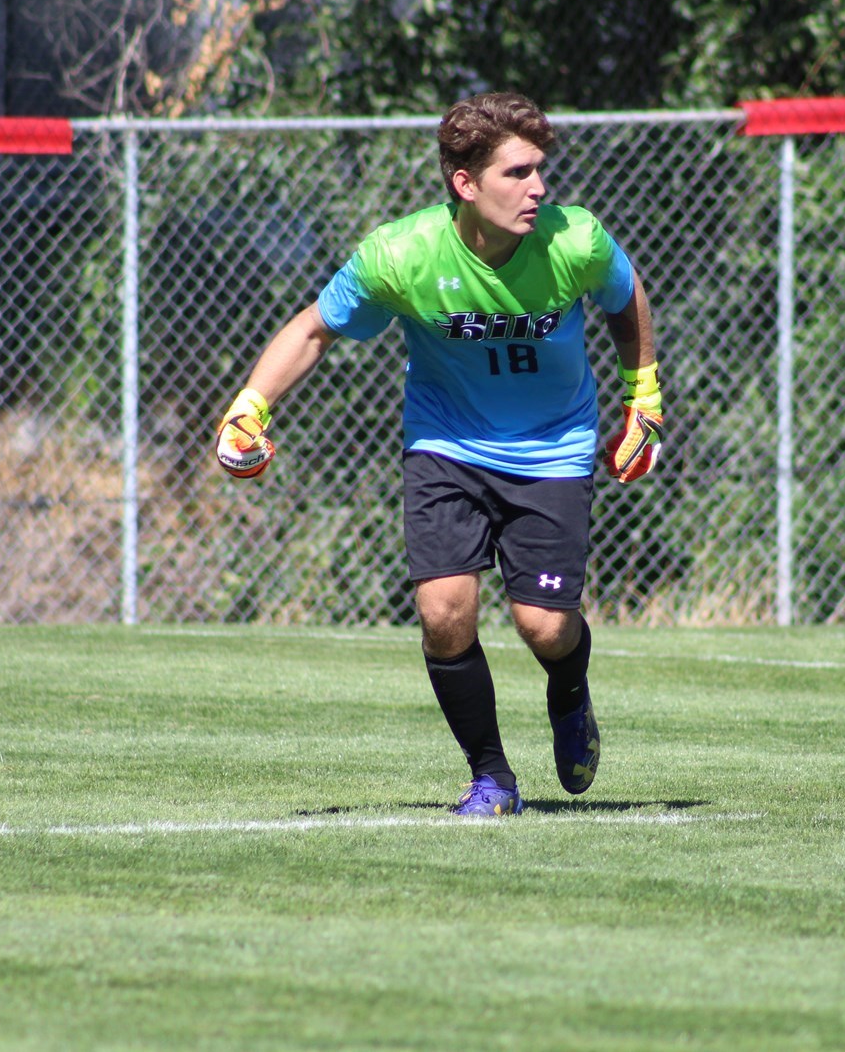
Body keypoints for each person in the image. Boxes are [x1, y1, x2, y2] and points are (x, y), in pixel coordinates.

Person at [214, 91, 662, 817]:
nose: (539, 188)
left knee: (543, 626)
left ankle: (571, 694)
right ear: (465, 183)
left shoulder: (574, 240)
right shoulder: (401, 255)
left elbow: (625, 294)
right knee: (444, 613)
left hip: (553, 446)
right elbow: (314, 329)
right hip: (445, 444)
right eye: (517, 173)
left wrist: (644, 398)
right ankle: (492, 778)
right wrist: (249, 409)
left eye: (541, 170)